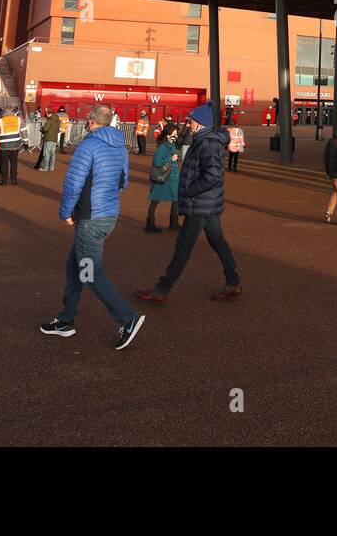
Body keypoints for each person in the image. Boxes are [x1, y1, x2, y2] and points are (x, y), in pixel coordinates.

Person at [39, 105, 145, 351]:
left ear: (91, 122)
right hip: (108, 213)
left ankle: (127, 319)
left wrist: (66, 212)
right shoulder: (119, 146)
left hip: (90, 218)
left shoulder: (88, 145)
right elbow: (123, 181)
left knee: (89, 273)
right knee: (74, 267)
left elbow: (73, 182)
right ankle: (66, 319)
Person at [133, 100, 242, 304]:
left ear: (200, 123)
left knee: (184, 246)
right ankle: (233, 282)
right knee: (217, 242)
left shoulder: (207, 142)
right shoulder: (204, 140)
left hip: (199, 204)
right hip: (206, 204)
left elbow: (213, 176)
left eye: (191, 121)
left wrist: (191, 191)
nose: (188, 124)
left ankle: (162, 289)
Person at [145, 124, 182, 233]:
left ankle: (173, 223)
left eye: (176, 134)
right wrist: (170, 158)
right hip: (164, 177)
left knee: (176, 199)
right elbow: (157, 162)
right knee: (156, 199)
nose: (176, 136)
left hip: (172, 177)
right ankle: (150, 224)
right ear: (167, 135)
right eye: (174, 134)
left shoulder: (172, 144)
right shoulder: (162, 146)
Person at [0, 105, 24, 185]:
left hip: (4, 145)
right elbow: (24, 131)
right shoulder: (19, 119)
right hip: (15, 144)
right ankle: (13, 179)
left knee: (4, 163)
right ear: (13, 112)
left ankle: (4, 181)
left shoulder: (0, 121)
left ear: (4, 112)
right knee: (14, 162)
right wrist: (26, 142)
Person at [36, 107, 61, 171]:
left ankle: (45, 168)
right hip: (54, 139)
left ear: (48, 113)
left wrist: (42, 129)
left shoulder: (50, 120)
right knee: (52, 155)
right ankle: (51, 168)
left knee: (46, 154)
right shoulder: (58, 121)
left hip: (48, 138)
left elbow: (45, 129)